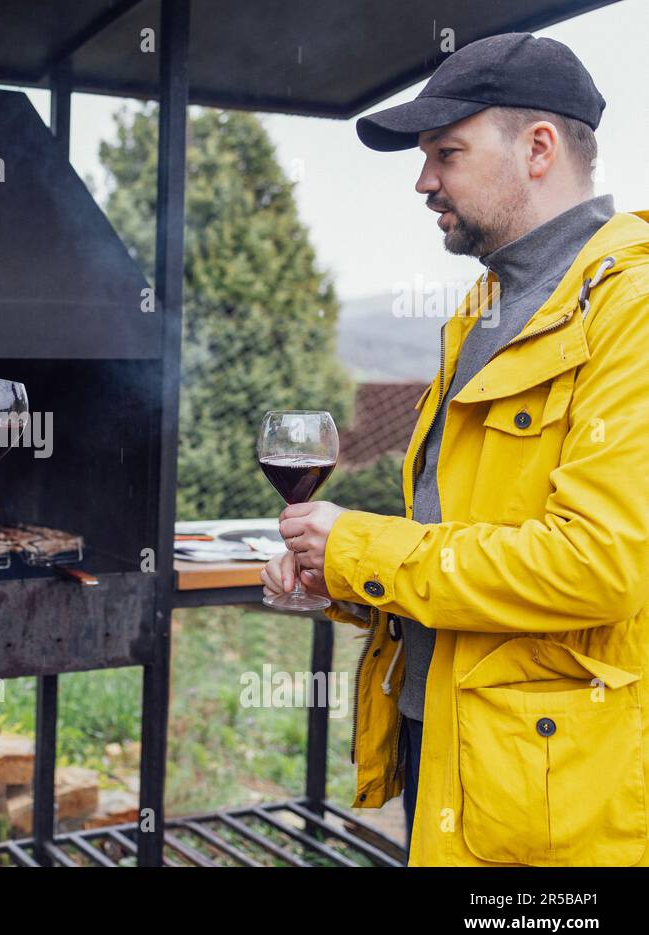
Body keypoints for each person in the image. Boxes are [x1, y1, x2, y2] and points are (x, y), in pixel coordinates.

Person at [262, 32, 649, 866]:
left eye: (447, 152)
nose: (423, 180)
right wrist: (346, 576)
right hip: (447, 749)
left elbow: (598, 566)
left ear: (539, 148)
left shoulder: (633, 310)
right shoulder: (485, 308)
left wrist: (361, 545)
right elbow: (459, 541)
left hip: (556, 803)